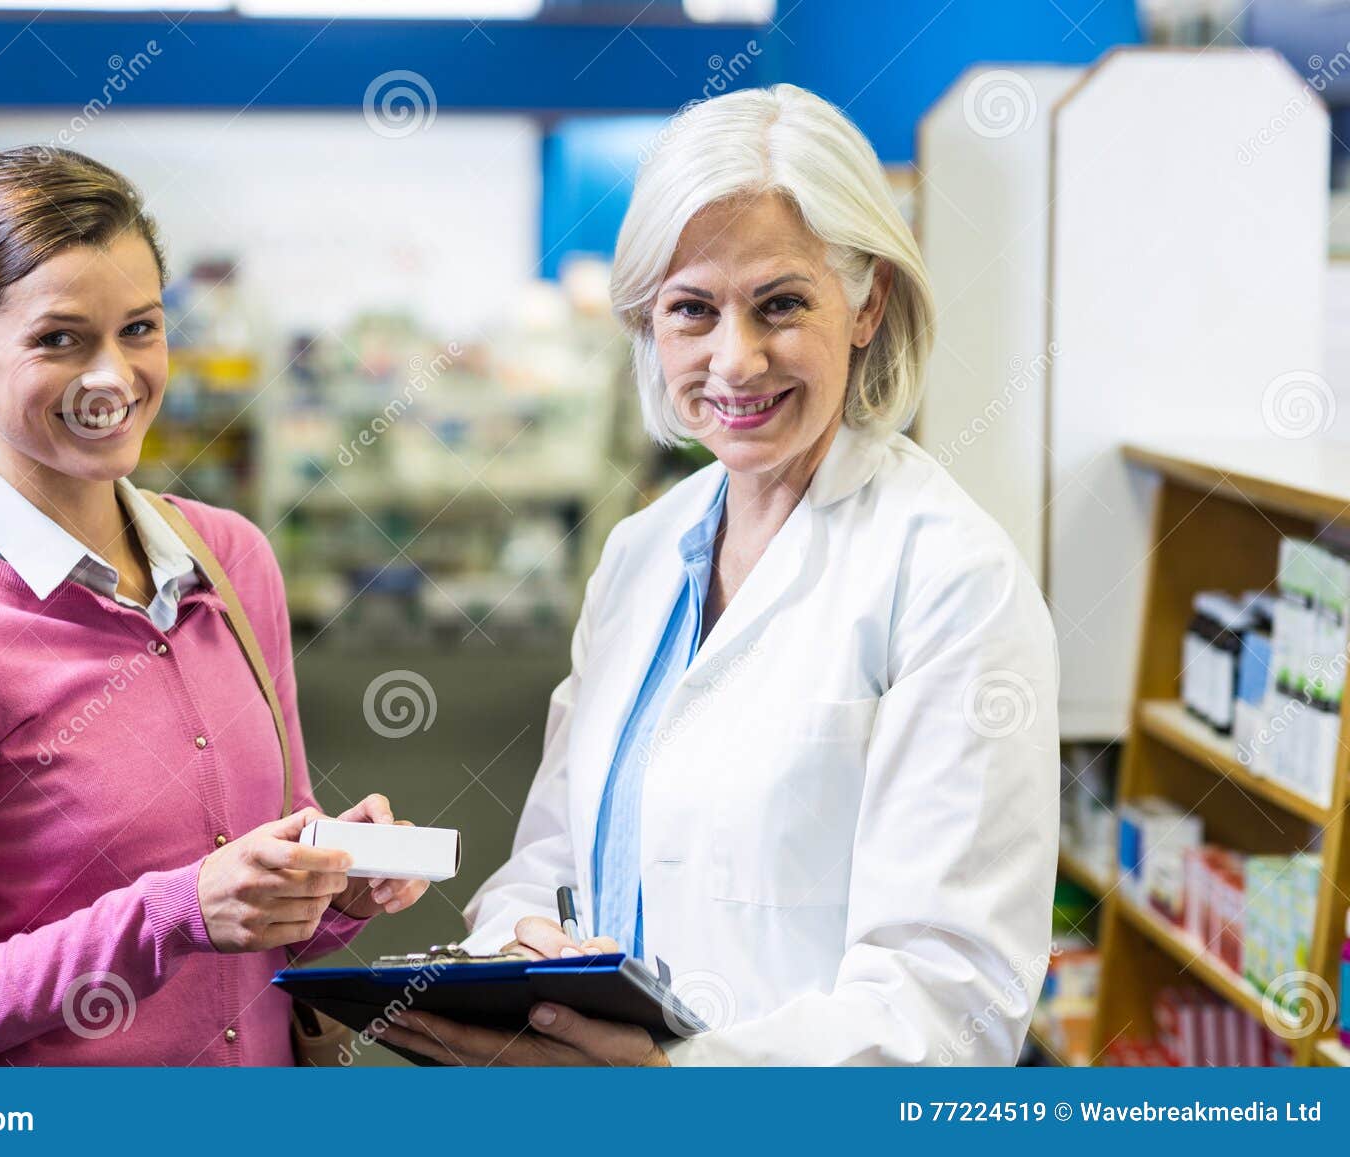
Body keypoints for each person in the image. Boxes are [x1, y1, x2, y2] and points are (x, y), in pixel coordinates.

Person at [372, 84, 1059, 1067]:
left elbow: (952, 1008)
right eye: (693, 309)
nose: (734, 361)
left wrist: (670, 1080)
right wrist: (507, 963)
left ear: (868, 307)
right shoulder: (644, 551)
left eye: (780, 304)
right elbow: (554, 855)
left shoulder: (950, 580)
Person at [0, 146, 426, 1066]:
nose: (113, 377)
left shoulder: (232, 563)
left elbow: (260, 910)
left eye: (139, 329)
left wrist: (329, 886)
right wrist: (173, 912)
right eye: (61, 339)